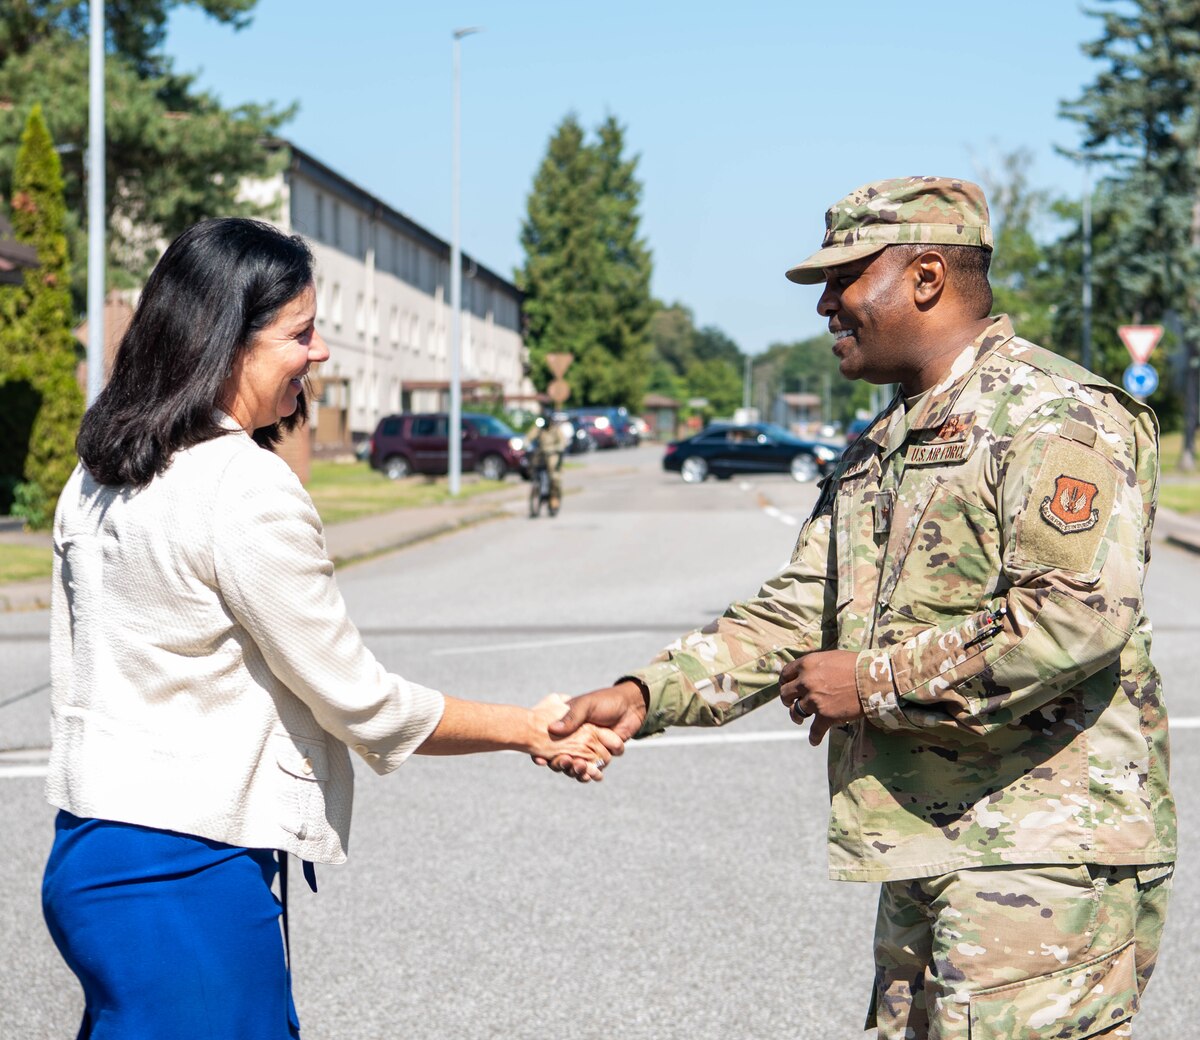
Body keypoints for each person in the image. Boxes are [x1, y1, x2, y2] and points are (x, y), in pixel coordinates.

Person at [541, 177, 1175, 1039]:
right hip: (928, 844)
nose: (828, 307)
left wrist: (872, 682)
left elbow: (1073, 617)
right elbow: (797, 613)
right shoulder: (883, 443)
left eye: (845, 280)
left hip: (1041, 854)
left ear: (924, 277)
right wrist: (646, 695)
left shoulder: (1055, 417)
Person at [43, 217, 619, 1039]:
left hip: (88, 857)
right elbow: (362, 703)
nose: (320, 355)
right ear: (224, 342)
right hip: (187, 872)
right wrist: (528, 728)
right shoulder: (245, 488)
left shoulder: (97, 475)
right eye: (301, 334)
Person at [525, 411, 568, 510]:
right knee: (533, 466)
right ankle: (536, 489)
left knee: (553, 476)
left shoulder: (555, 430)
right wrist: (525, 444)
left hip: (553, 454)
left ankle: (554, 497)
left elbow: (563, 442)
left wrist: (557, 448)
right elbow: (529, 436)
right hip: (541, 453)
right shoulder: (540, 429)